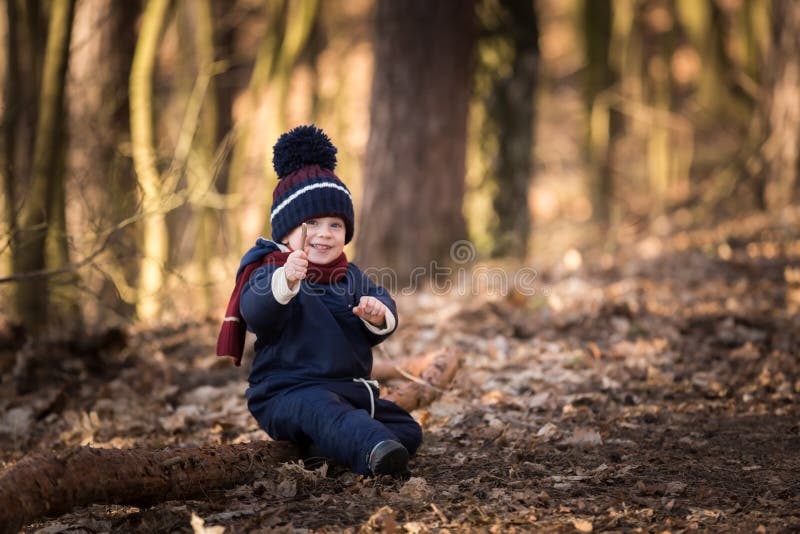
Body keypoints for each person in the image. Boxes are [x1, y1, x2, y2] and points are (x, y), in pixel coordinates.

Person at [217, 125, 422, 477]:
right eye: (312, 222)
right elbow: (255, 311)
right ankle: (369, 450)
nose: (325, 234)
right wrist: (287, 280)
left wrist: (377, 315)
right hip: (287, 393)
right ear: (287, 230)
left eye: (335, 225)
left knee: (407, 430)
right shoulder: (272, 270)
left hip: (347, 390)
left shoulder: (349, 275)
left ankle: (324, 449)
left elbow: (379, 299)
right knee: (332, 415)